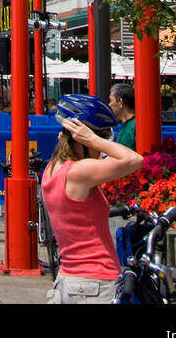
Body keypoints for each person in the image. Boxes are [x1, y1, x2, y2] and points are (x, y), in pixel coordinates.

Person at [42, 93, 143, 305]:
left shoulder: (52, 169)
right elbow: (134, 160)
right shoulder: (80, 172)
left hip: (68, 280)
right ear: (81, 137)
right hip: (95, 283)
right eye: (104, 137)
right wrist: (93, 139)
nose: (103, 145)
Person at [109, 82, 136, 149]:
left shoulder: (134, 126)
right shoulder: (128, 124)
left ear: (120, 102)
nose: (109, 105)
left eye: (111, 100)